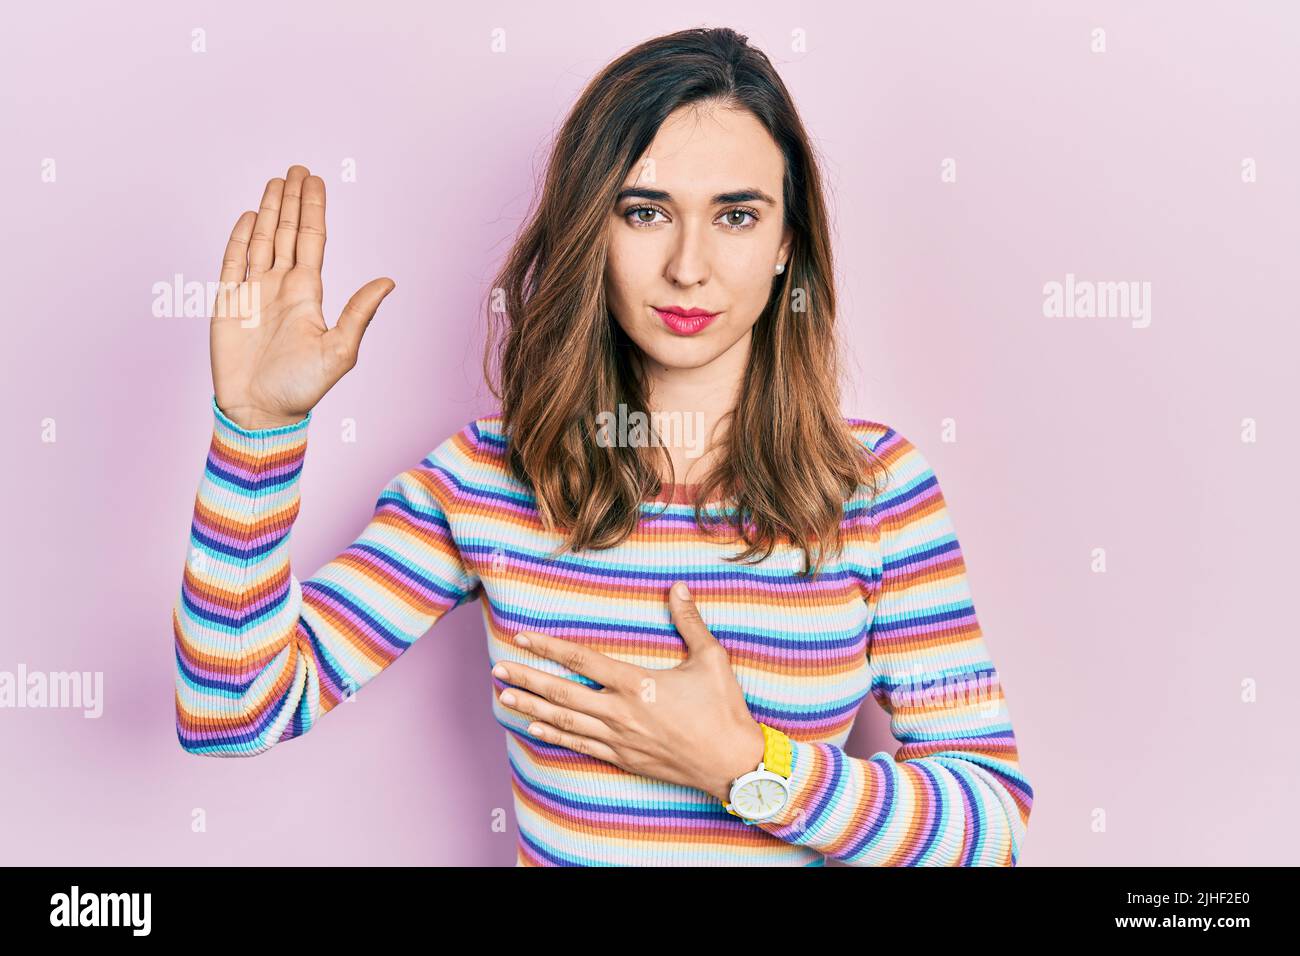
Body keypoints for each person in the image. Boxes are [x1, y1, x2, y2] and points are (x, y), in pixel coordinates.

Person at [174, 26, 1033, 866]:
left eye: (736, 215)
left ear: (786, 248)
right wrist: (257, 431)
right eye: (647, 211)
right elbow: (231, 713)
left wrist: (747, 767)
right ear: (594, 230)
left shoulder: (876, 491)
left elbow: (991, 825)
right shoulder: (489, 480)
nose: (689, 266)